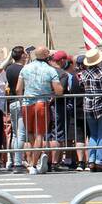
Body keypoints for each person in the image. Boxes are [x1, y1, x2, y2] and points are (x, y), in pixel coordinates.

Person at [15, 46, 64, 175]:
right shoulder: (50, 70)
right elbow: (59, 90)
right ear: (47, 55)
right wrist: (51, 95)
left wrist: (21, 101)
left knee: (29, 133)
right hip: (41, 103)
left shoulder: (25, 68)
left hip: (27, 103)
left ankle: (32, 162)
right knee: (39, 134)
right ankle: (34, 163)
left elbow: (18, 89)